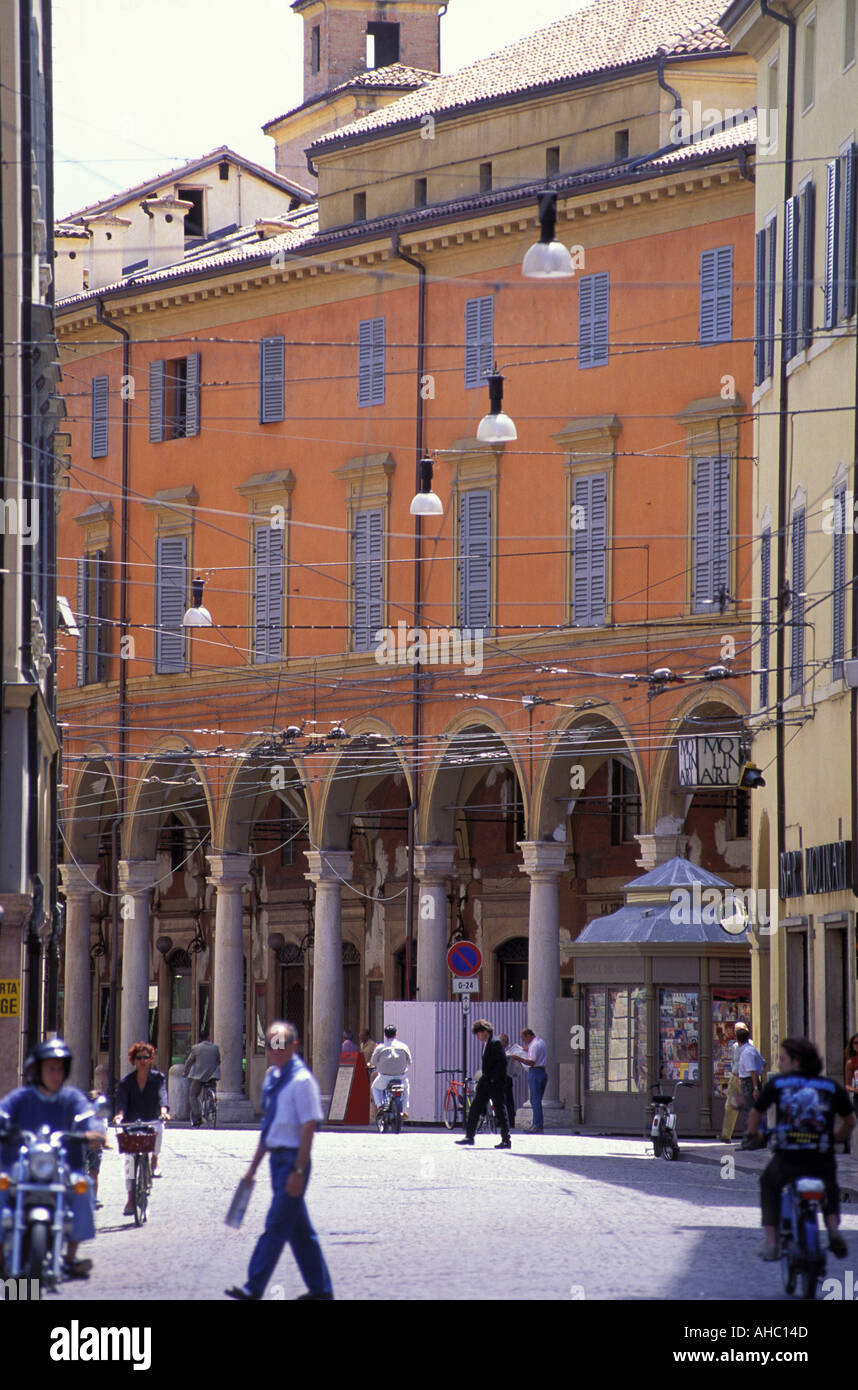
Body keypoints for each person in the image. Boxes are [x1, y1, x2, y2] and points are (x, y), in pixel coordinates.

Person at [225, 1021, 333, 1301]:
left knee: (275, 1225)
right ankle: (322, 1291)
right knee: (299, 1231)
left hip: (293, 1160)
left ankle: (253, 1287)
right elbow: (269, 1128)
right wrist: (252, 1168)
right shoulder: (272, 1078)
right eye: (271, 1044)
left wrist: (298, 1169)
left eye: (281, 1044)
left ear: (294, 1046)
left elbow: (309, 1126)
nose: (275, 1050)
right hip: (276, 1159)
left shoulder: (302, 1081)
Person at [0, 1038, 104, 1278]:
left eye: (59, 1069)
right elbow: (3, 1110)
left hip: (63, 1169)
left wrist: (94, 1132)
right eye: (50, 1068)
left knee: (83, 1185)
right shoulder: (22, 1098)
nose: (56, 1074)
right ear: (38, 1070)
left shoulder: (71, 1098)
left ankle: (70, 1257)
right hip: (21, 1168)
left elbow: (89, 1117)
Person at [745, 1036, 855, 1261]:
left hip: (788, 1156)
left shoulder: (779, 1084)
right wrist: (837, 1136)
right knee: (830, 1187)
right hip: (820, 1155)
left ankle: (772, 1242)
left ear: (796, 1061)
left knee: (768, 1183)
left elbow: (756, 1112)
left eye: (783, 1059)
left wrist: (753, 1134)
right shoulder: (830, 1086)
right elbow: (850, 1120)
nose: (780, 1063)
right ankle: (833, 1229)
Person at [115, 1042, 169, 1215]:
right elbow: (122, 1103)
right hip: (132, 1122)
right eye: (139, 1058)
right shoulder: (126, 1082)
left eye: (146, 1057)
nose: (143, 1061)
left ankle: (154, 1159)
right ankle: (130, 1198)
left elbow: (162, 1097)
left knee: (159, 1129)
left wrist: (164, 1111)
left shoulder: (158, 1078)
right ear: (134, 1060)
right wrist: (119, 1116)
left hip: (151, 1118)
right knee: (130, 1160)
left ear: (151, 1059)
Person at [456, 1019, 511, 1149]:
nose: (477, 1037)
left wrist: (493, 1079)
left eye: (478, 1033)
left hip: (495, 1083)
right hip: (485, 1082)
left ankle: (506, 1139)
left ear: (485, 1032)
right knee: (475, 1108)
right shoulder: (486, 1043)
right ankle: (470, 1136)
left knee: (500, 1110)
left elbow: (502, 1063)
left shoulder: (495, 1043)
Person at [369, 1024, 412, 1119]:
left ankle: (379, 1105)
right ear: (396, 1034)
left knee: (375, 1087)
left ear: (385, 1035)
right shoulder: (403, 1046)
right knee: (406, 1088)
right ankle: (404, 1110)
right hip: (400, 1077)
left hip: (384, 1077)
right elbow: (409, 1062)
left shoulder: (380, 1047)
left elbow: (373, 1062)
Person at [183, 1032, 221, 1128]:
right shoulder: (215, 1047)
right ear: (209, 1037)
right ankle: (211, 1104)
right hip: (212, 1075)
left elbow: (189, 1061)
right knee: (212, 1088)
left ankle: (197, 1116)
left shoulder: (196, 1048)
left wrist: (185, 1071)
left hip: (199, 1076)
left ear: (200, 1039)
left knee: (193, 1095)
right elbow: (218, 1060)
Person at [720, 1021, 749, 1144]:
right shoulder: (734, 1046)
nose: (736, 1033)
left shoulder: (750, 1046)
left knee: (748, 1107)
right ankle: (726, 1135)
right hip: (734, 1077)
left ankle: (750, 1136)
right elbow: (734, 1061)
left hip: (744, 1078)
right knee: (730, 1106)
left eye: (739, 1030)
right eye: (735, 1030)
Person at [519, 1027, 548, 1133]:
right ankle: (537, 1124)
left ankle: (537, 1125)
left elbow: (532, 1062)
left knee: (535, 1101)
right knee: (536, 1100)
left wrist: (518, 1058)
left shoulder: (534, 1045)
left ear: (528, 1035)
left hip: (535, 1072)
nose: (524, 1041)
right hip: (542, 1072)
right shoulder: (540, 1042)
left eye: (524, 1038)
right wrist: (527, 1049)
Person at [737, 1025, 765, 1113]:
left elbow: (752, 1071)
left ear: (737, 1040)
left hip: (748, 1083)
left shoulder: (747, 1052)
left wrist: (755, 1087)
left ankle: (751, 1126)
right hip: (749, 1081)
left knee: (749, 1110)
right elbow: (763, 1063)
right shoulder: (751, 1049)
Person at [499, 1032, 520, 1132]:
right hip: (502, 1077)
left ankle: (509, 1121)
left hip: (506, 1077)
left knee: (508, 1100)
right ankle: (503, 1121)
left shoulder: (508, 1050)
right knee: (503, 1100)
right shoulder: (500, 1049)